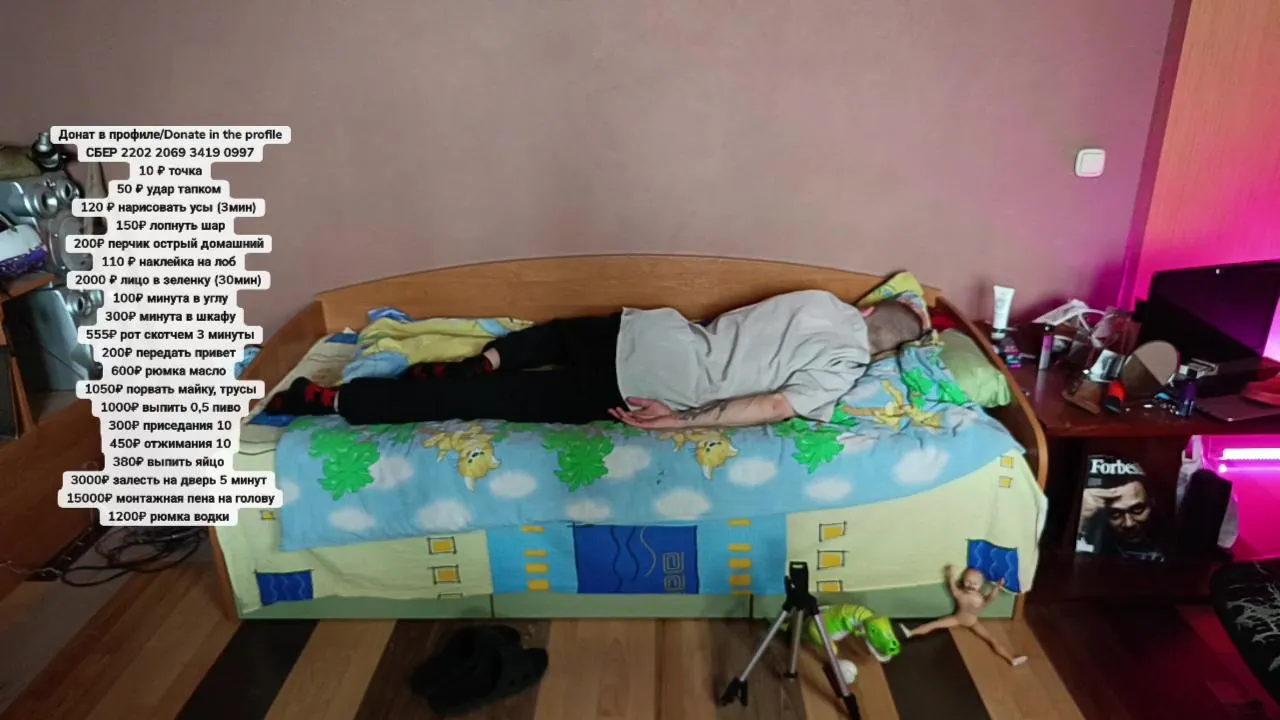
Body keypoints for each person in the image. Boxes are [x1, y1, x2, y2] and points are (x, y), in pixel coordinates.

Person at [262, 290, 926, 430]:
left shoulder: (821, 299)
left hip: (650, 331)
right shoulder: (844, 370)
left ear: (869, 311)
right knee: (486, 406)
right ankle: (334, 400)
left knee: (556, 335)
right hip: (647, 381)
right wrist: (681, 421)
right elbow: (777, 404)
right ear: (887, 352)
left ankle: (494, 355)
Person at [900, 565, 1027, 666]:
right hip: (960, 619)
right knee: (934, 624)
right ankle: (911, 633)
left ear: (981, 585)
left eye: (975, 583)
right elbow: (953, 587)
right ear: (963, 581)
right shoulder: (970, 597)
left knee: (992, 640)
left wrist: (998, 587)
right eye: (968, 582)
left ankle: (1011, 659)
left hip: (969, 621)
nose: (971, 585)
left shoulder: (976, 599)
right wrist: (950, 575)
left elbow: (990, 598)